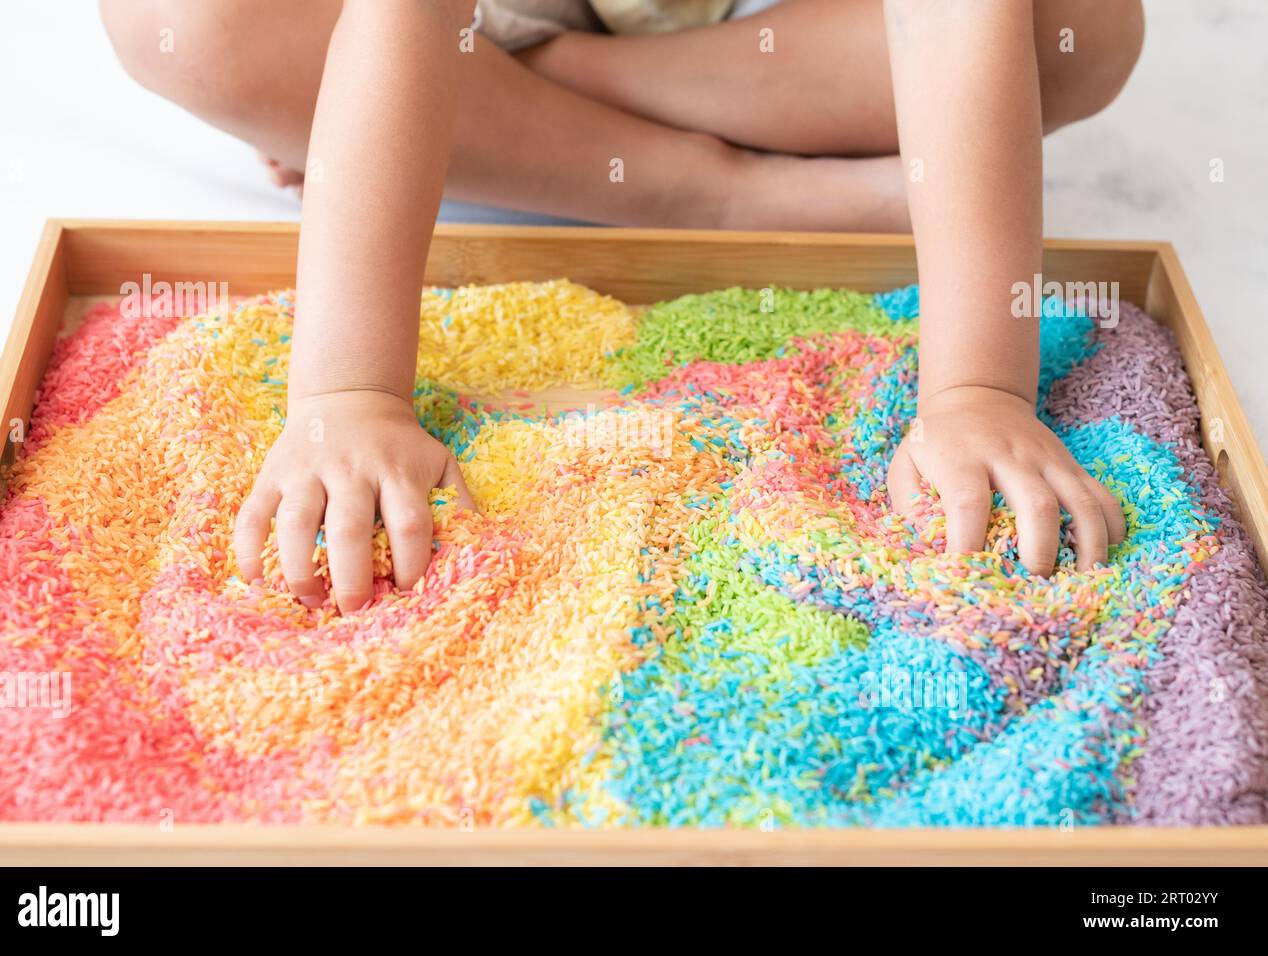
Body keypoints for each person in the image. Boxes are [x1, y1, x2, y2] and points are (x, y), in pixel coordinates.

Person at [100, 0, 1143, 611]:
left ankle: (552, 88)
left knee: (1082, 33)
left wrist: (975, 390)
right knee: (187, 25)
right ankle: (722, 191)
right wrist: (350, 393)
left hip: (750, 26)